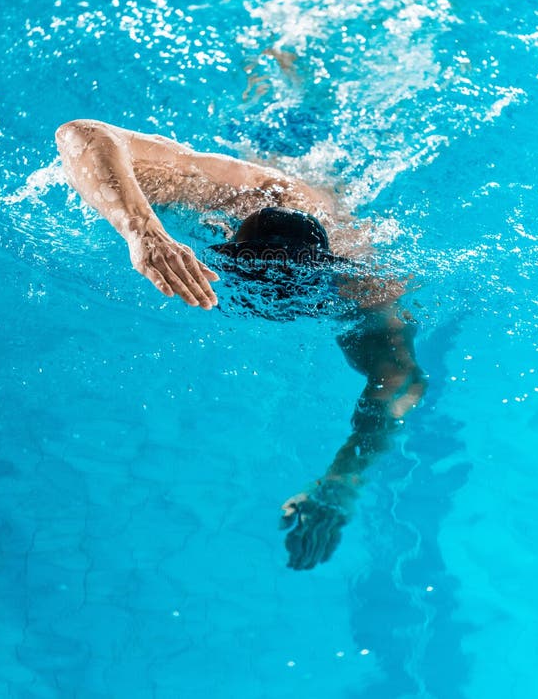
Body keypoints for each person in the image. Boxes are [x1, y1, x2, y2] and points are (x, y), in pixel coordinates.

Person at [56, 118, 427, 570]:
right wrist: (145, 234)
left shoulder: (362, 283)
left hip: (332, 165)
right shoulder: (229, 189)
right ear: (229, 246)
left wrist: (340, 485)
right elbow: (79, 135)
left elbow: (401, 380)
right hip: (272, 143)